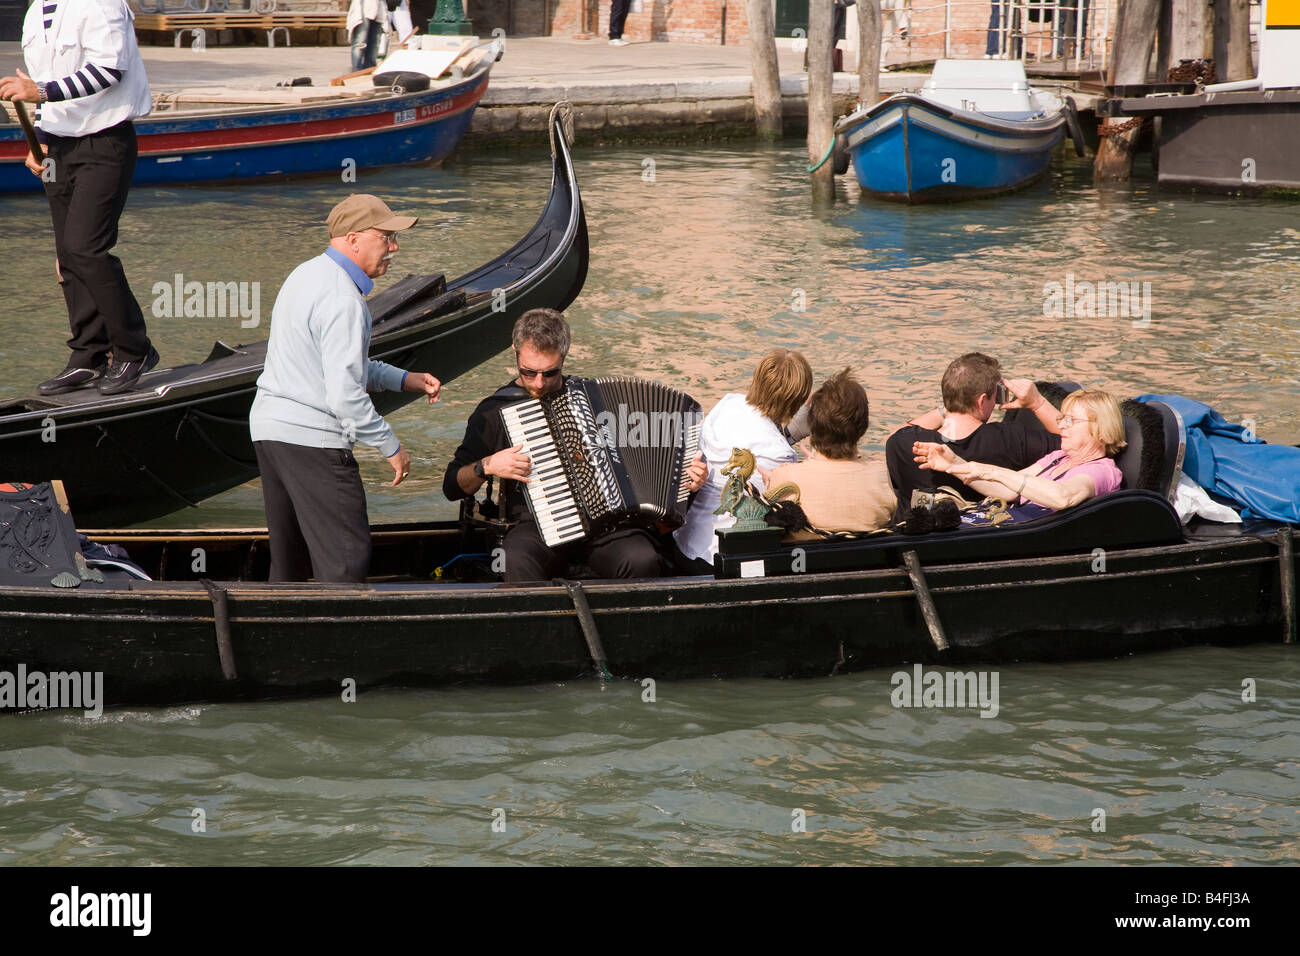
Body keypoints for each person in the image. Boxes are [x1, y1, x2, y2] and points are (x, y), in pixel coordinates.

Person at [249, 194, 442, 583]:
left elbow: (337, 367)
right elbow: (344, 396)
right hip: (312, 440)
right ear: (354, 239)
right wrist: (392, 447)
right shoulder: (344, 299)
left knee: (290, 564)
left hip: (270, 432)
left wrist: (405, 380)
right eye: (386, 237)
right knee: (347, 561)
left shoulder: (305, 274)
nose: (394, 247)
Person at [443, 308, 704, 583]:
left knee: (643, 559)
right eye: (529, 373)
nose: (539, 383)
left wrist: (689, 479)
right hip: (535, 529)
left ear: (564, 357)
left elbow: (655, 468)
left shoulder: (598, 402)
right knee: (514, 559)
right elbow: (452, 486)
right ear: (515, 352)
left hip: (607, 528)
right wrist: (488, 465)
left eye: (549, 373)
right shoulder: (494, 411)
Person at [0, 0, 158, 396]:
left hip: (105, 142)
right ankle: (88, 356)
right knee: (68, 257)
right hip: (58, 148)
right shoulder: (36, 11)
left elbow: (109, 70)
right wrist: (38, 142)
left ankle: (134, 349)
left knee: (86, 248)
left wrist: (40, 91)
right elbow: (36, 81)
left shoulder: (102, 5)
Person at [673, 348, 812, 573]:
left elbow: (754, 440)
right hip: (719, 559)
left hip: (684, 542)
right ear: (794, 402)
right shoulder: (781, 455)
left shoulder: (727, 404)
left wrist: (790, 435)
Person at [885, 352, 1062, 518]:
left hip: (913, 538)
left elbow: (897, 433)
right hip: (980, 536)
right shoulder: (1012, 438)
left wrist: (950, 405)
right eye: (995, 397)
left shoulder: (903, 443)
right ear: (982, 400)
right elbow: (1077, 442)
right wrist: (1037, 403)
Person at [913, 389, 1126, 514]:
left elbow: (1063, 497)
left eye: (1070, 421)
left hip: (1031, 538)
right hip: (1012, 523)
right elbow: (1009, 491)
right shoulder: (1058, 457)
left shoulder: (1101, 471)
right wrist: (954, 463)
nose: (1061, 426)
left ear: (1101, 430)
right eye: (1062, 419)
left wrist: (991, 471)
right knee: (923, 509)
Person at [767, 368, 895, 535]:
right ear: (863, 427)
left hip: (803, 560)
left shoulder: (785, 478)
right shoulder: (882, 475)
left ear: (812, 424)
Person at [347, 0, 387, 71]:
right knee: (360, 41)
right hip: (364, 5)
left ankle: (370, 68)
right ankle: (357, 69)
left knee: (375, 42)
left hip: (379, 6)